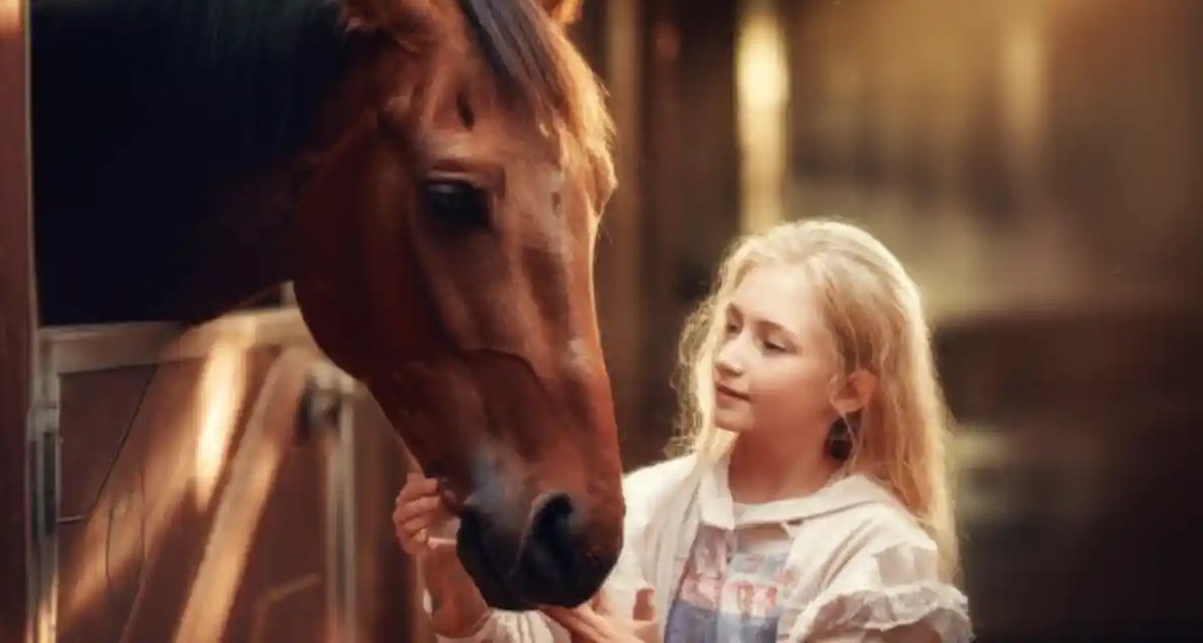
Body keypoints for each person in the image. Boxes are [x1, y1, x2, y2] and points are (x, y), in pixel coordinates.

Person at [394, 218, 974, 642]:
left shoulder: (878, 559)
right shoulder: (649, 504)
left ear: (850, 390)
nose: (729, 358)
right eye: (732, 327)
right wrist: (456, 565)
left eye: (772, 345)